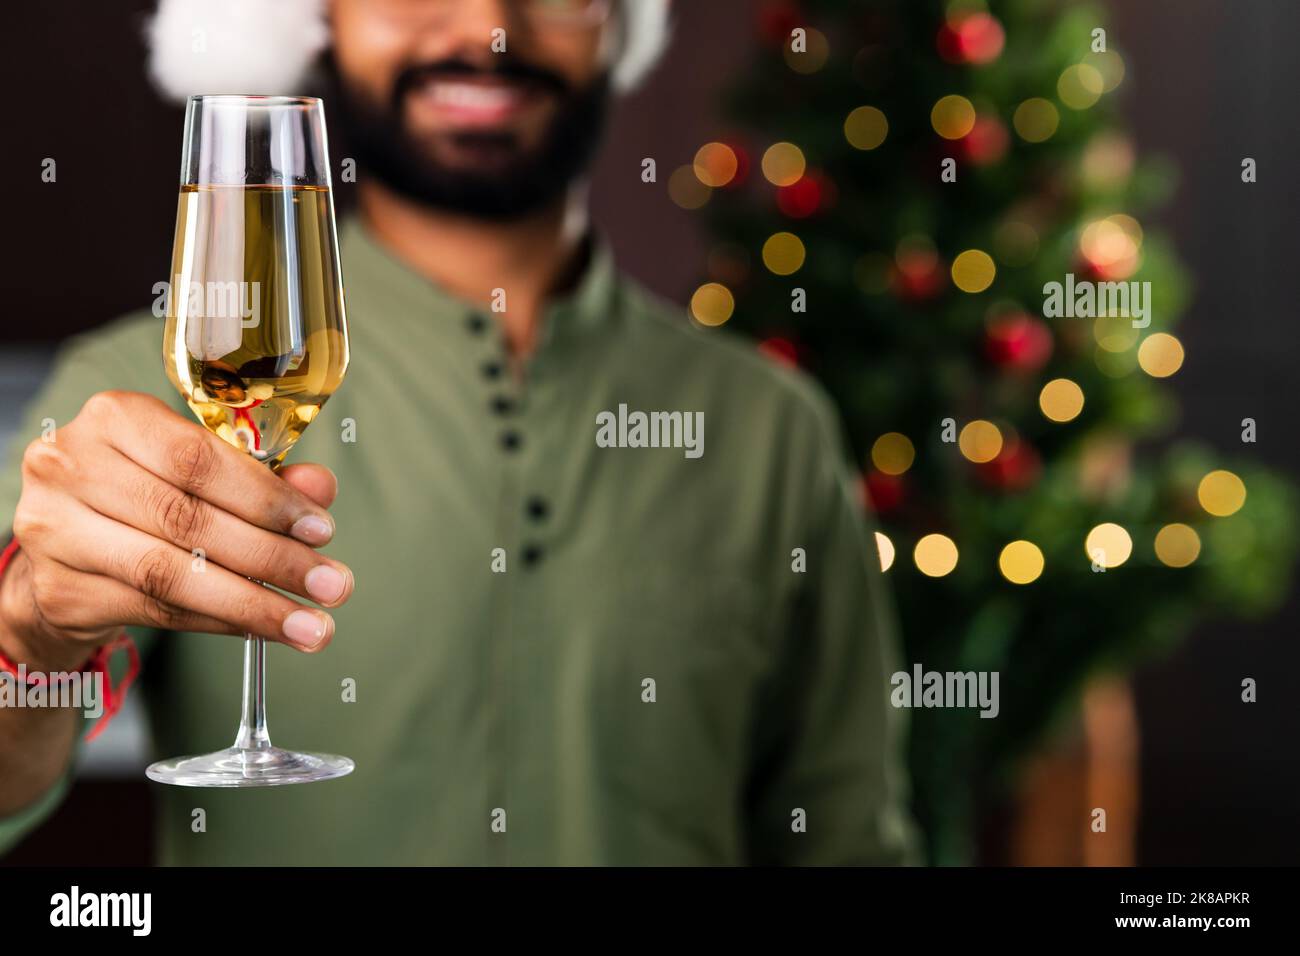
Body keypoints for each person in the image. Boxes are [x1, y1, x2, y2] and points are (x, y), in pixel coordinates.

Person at [0, 0, 917, 865]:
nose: (487, 27)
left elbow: (847, 839)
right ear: (316, 17)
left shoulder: (772, 431)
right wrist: (31, 636)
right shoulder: (142, 392)